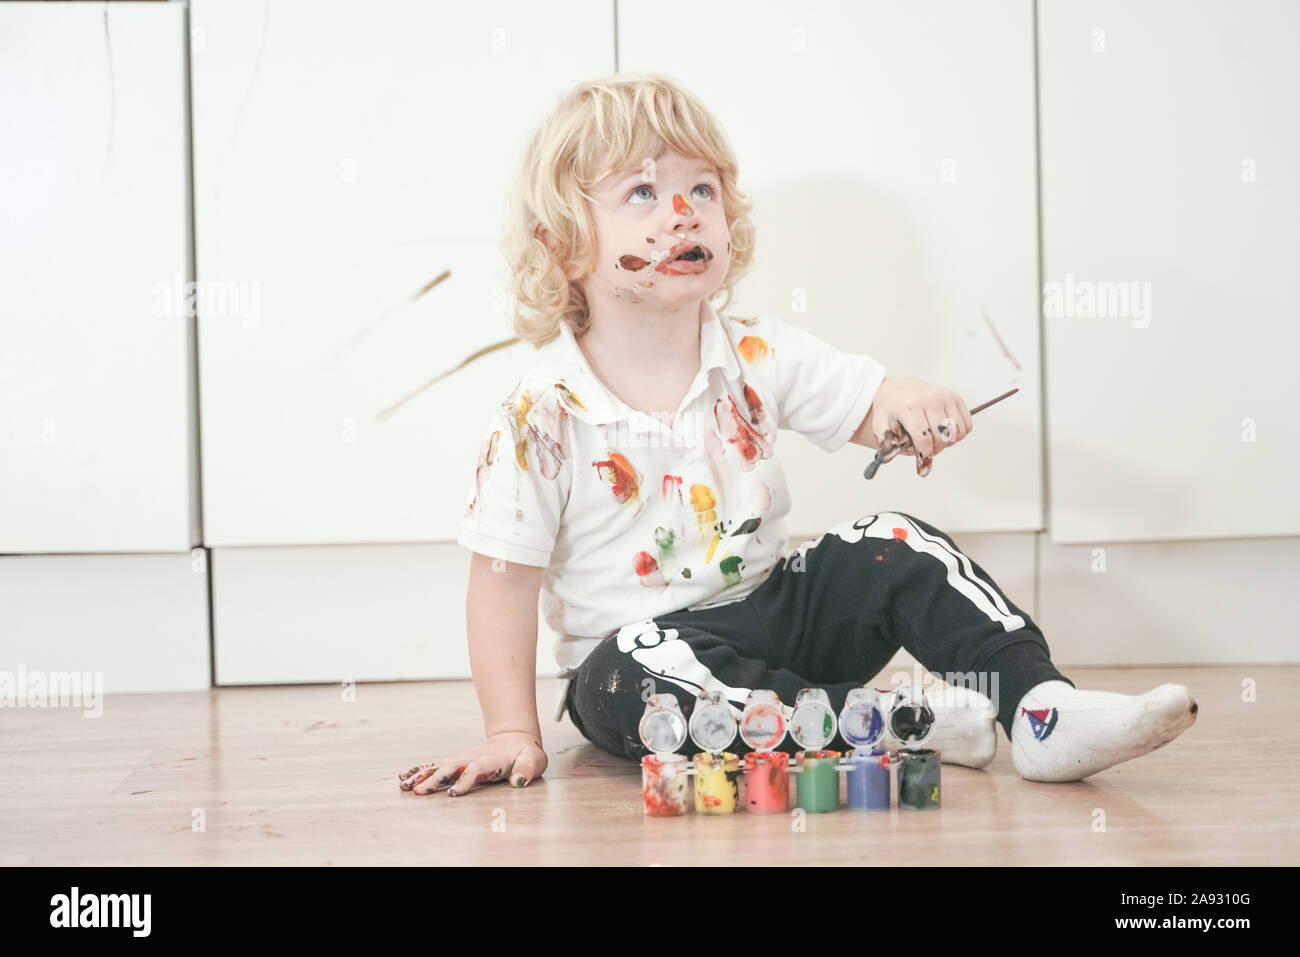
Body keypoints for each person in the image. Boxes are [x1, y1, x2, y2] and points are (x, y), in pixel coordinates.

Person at [398, 74, 1197, 797]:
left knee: (892, 539)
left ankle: (1038, 708)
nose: (681, 211)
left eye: (701, 188)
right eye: (641, 191)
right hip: (638, 663)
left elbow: (867, 400)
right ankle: (898, 723)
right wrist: (512, 731)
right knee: (629, 669)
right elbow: (503, 581)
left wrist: (912, 405)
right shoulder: (541, 410)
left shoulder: (756, 350)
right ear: (562, 244)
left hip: (776, 613)